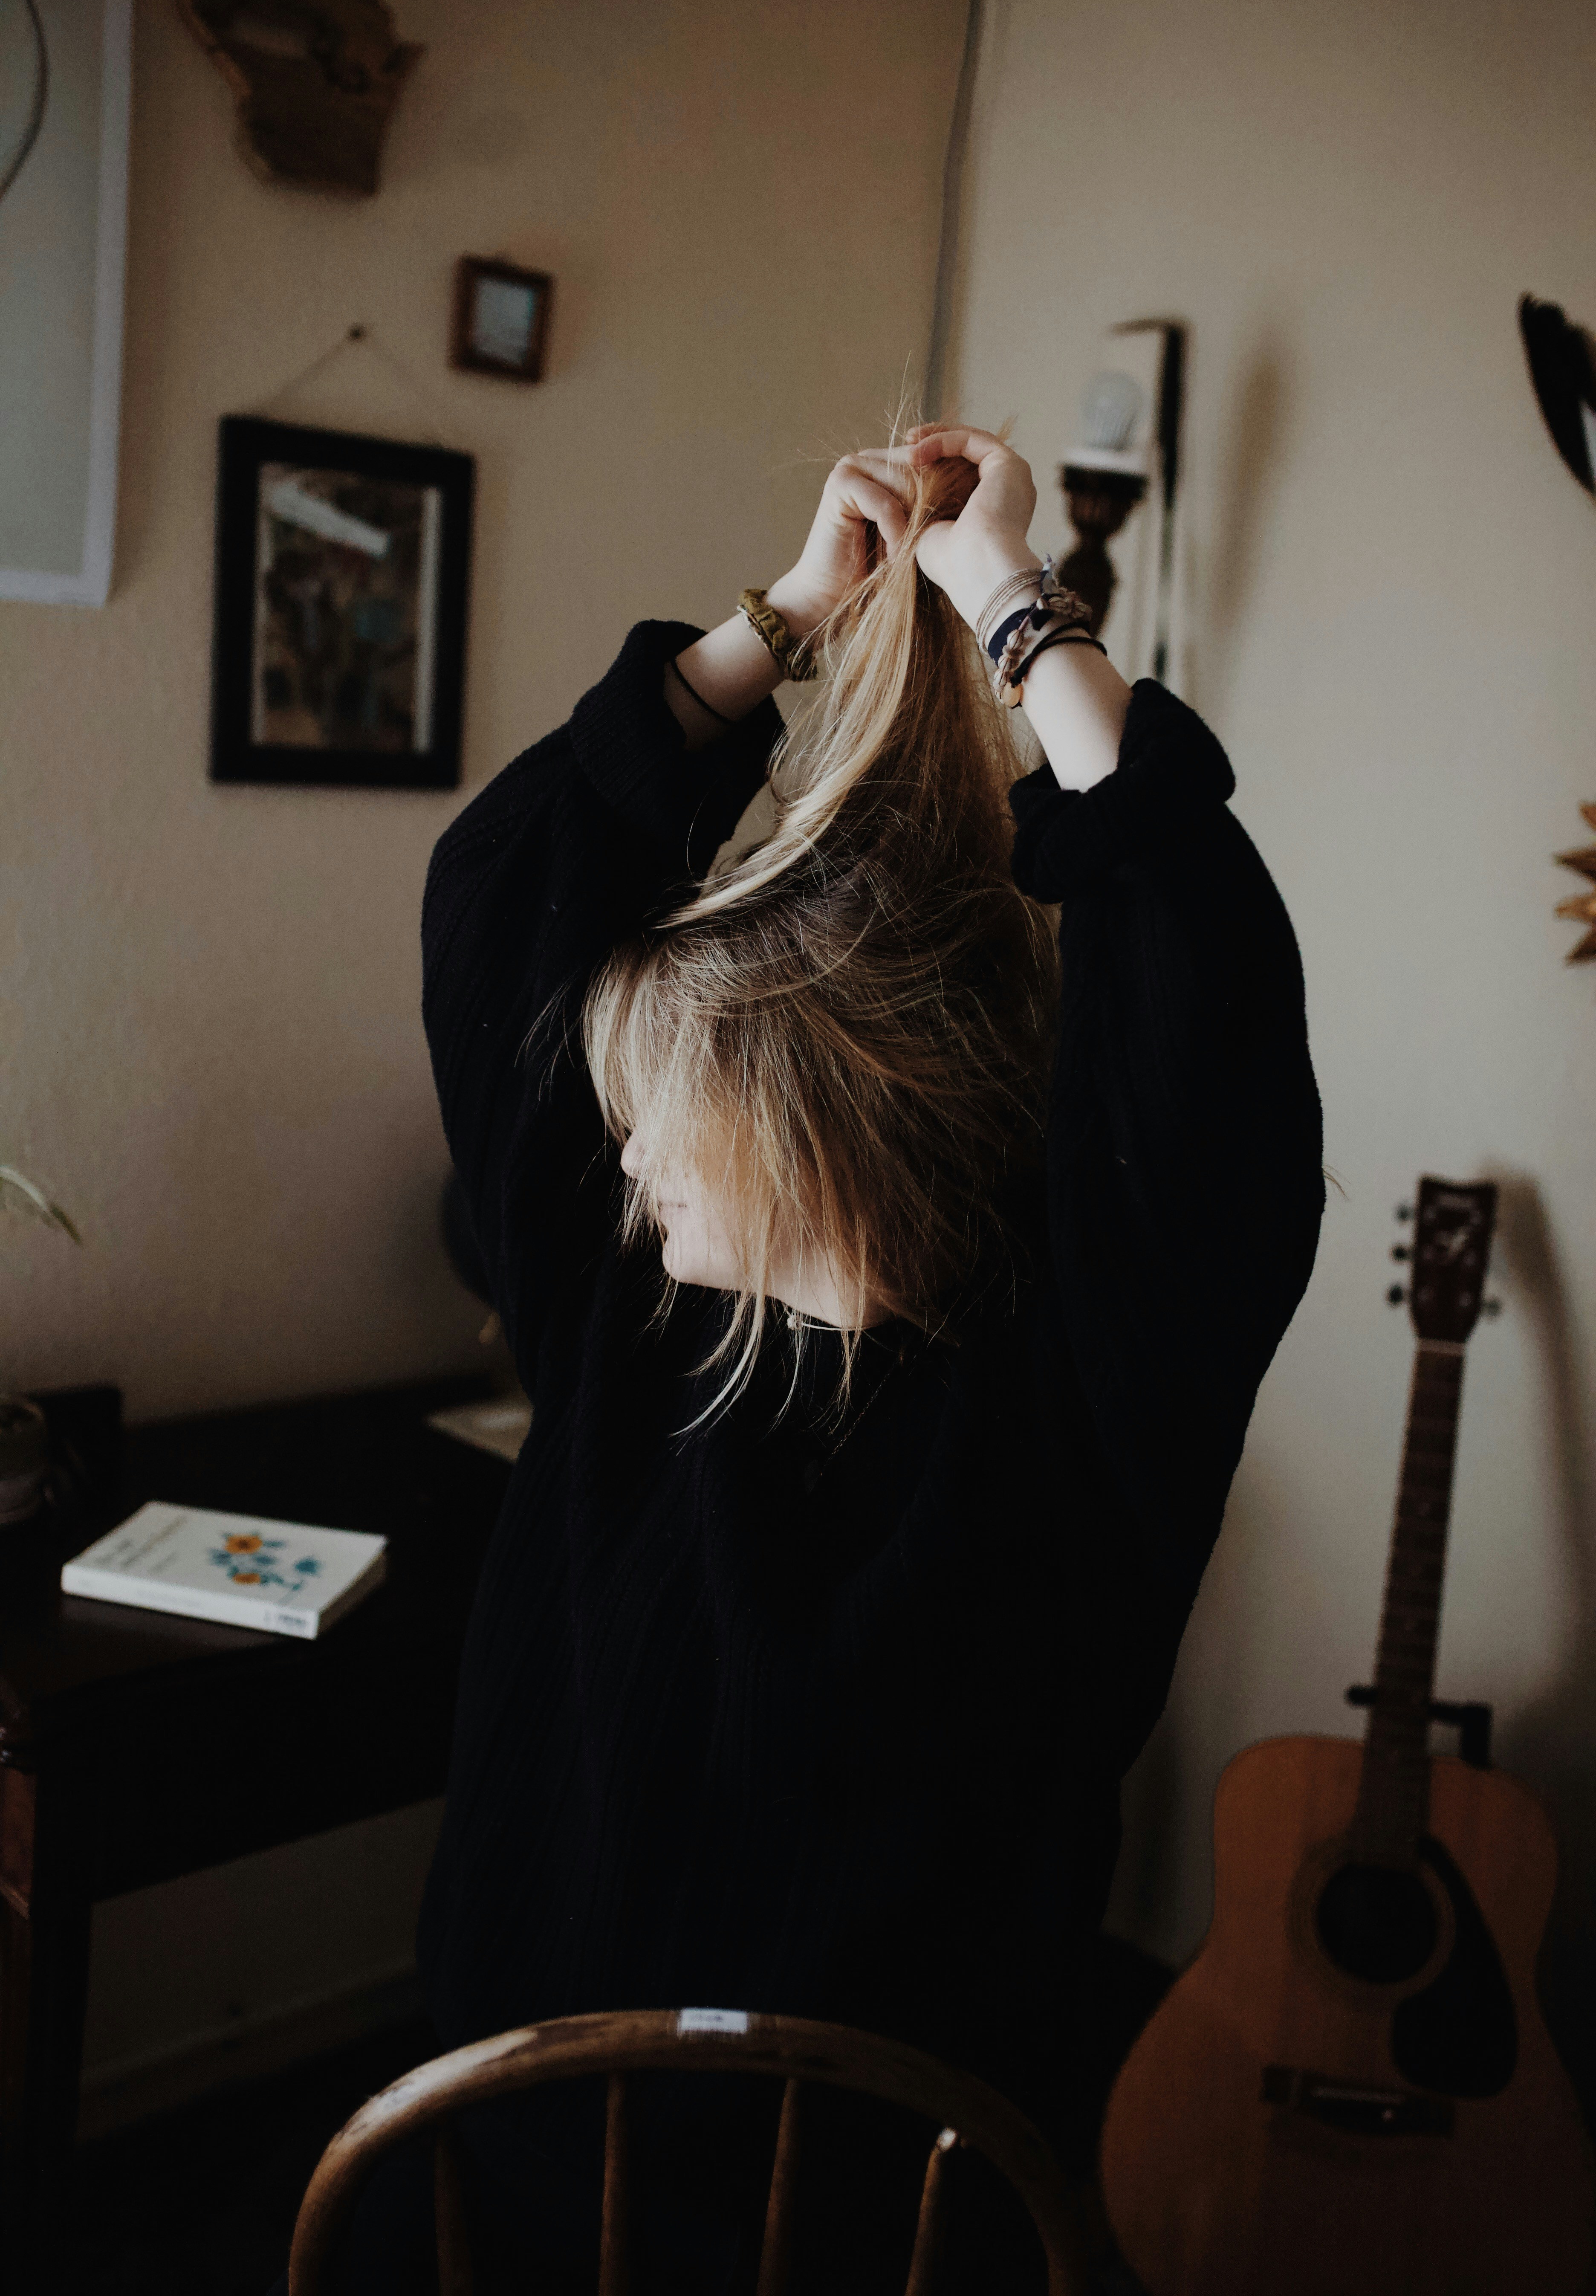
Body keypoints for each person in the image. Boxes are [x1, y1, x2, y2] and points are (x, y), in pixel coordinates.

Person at [279, 424, 1322, 2294]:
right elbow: (499, 888)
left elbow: (1202, 958)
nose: (627, 1160)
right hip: (502, 2204)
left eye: (660, 1115)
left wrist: (1008, 595)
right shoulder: (624, 1327)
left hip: (889, 2246)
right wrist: (790, 618)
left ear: (807, 1119)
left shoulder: (1082, 1411)